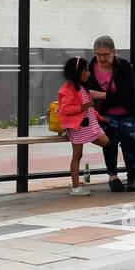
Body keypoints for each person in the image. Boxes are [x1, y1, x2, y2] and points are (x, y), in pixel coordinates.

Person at [86, 36, 135, 192]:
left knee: (129, 135)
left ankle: (132, 176)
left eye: (105, 55)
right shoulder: (90, 67)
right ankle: (113, 176)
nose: (102, 59)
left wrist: (101, 95)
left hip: (127, 112)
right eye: (98, 54)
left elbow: (128, 94)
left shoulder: (123, 66)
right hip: (104, 114)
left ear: (113, 52)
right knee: (108, 136)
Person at [57, 56, 109, 197]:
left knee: (106, 142)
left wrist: (101, 118)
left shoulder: (82, 87)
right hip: (78, 127)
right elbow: (65, 109)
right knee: (77, 155)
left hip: (90, 124)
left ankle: (76, 185)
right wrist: (82, 107)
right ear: (76, 72)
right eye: (86, 71)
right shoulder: (67, 90)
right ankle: (75, 186)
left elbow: (90, 109)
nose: (89, 73)